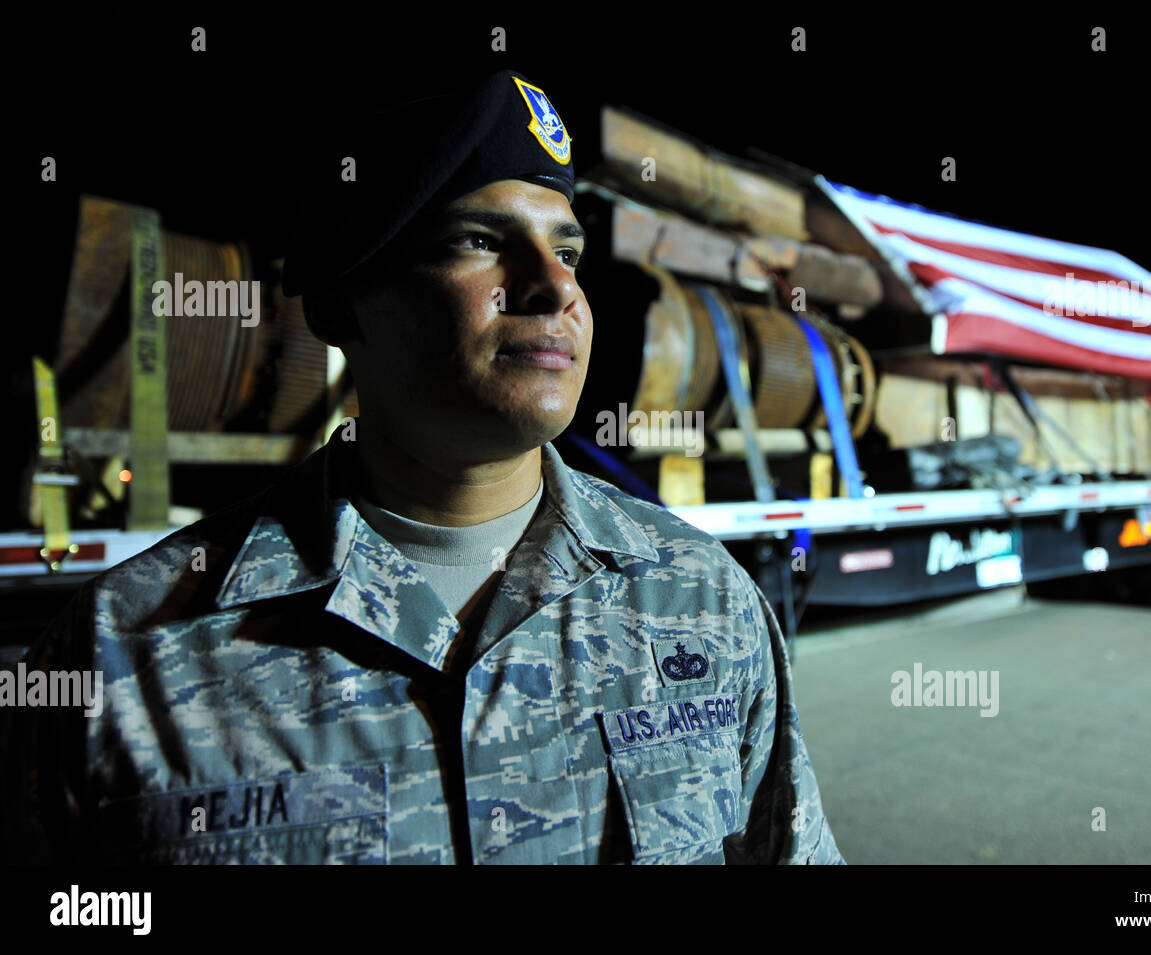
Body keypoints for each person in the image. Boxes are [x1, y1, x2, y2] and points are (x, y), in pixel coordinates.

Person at [0, 69, 844, 865]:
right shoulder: (125, 658)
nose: (555, 289)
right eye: (480, 240)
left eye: (569, 251)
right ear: (339, 299)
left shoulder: (701, 599)